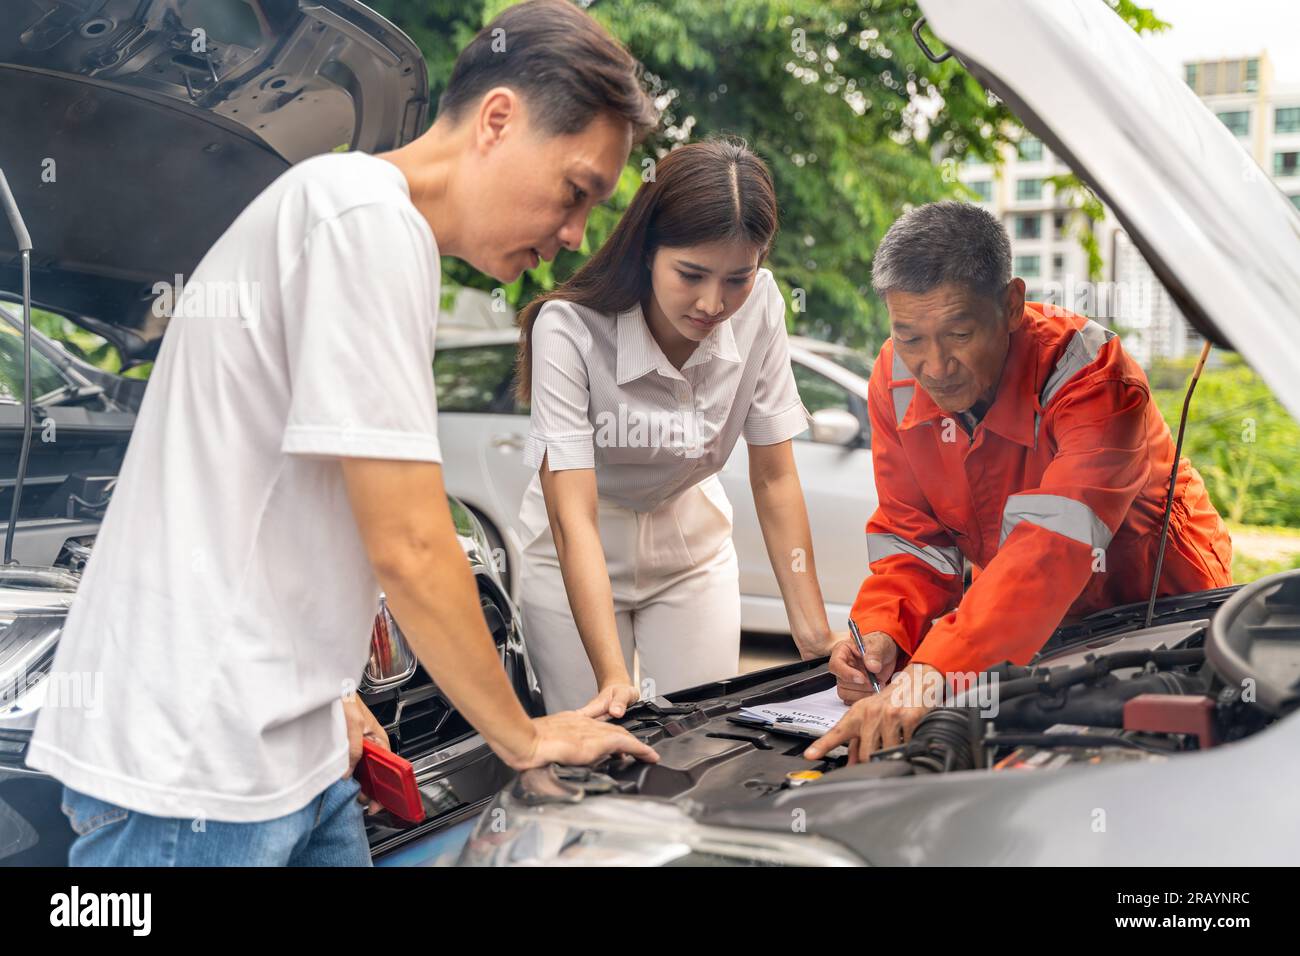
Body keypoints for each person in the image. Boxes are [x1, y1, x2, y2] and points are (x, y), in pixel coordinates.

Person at [28, 0, 661, 867]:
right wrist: (524, 737)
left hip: (300, 746)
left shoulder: (359, 220)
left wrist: (329, 689)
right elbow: (407, 539)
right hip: (196, 777)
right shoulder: (360, 220)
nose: (573, 235)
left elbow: (309, 510)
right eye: (576, 190)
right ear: (499, 120)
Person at [807, 200, 1232, 764]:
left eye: (959, 333)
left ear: (1011, 304)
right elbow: (912, 541)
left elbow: (1050, 550)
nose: (933, 366)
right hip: (1019, 632)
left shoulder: (1091, 373)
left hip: (1161, 617)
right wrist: (882, 635)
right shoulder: (894, 378)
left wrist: (935, 671)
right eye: (909, 337)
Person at [514, 138, 837, 717]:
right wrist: (613, 677)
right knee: (594, 757)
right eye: (691, 274)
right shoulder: (568, 328)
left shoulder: (761, 305)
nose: (713, 303)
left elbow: (774, 480)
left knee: (702, 740)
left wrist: (814, 638)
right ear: (646, 251)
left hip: (692, 546)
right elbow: (572, 516)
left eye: (737, 277)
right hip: (578, 551)